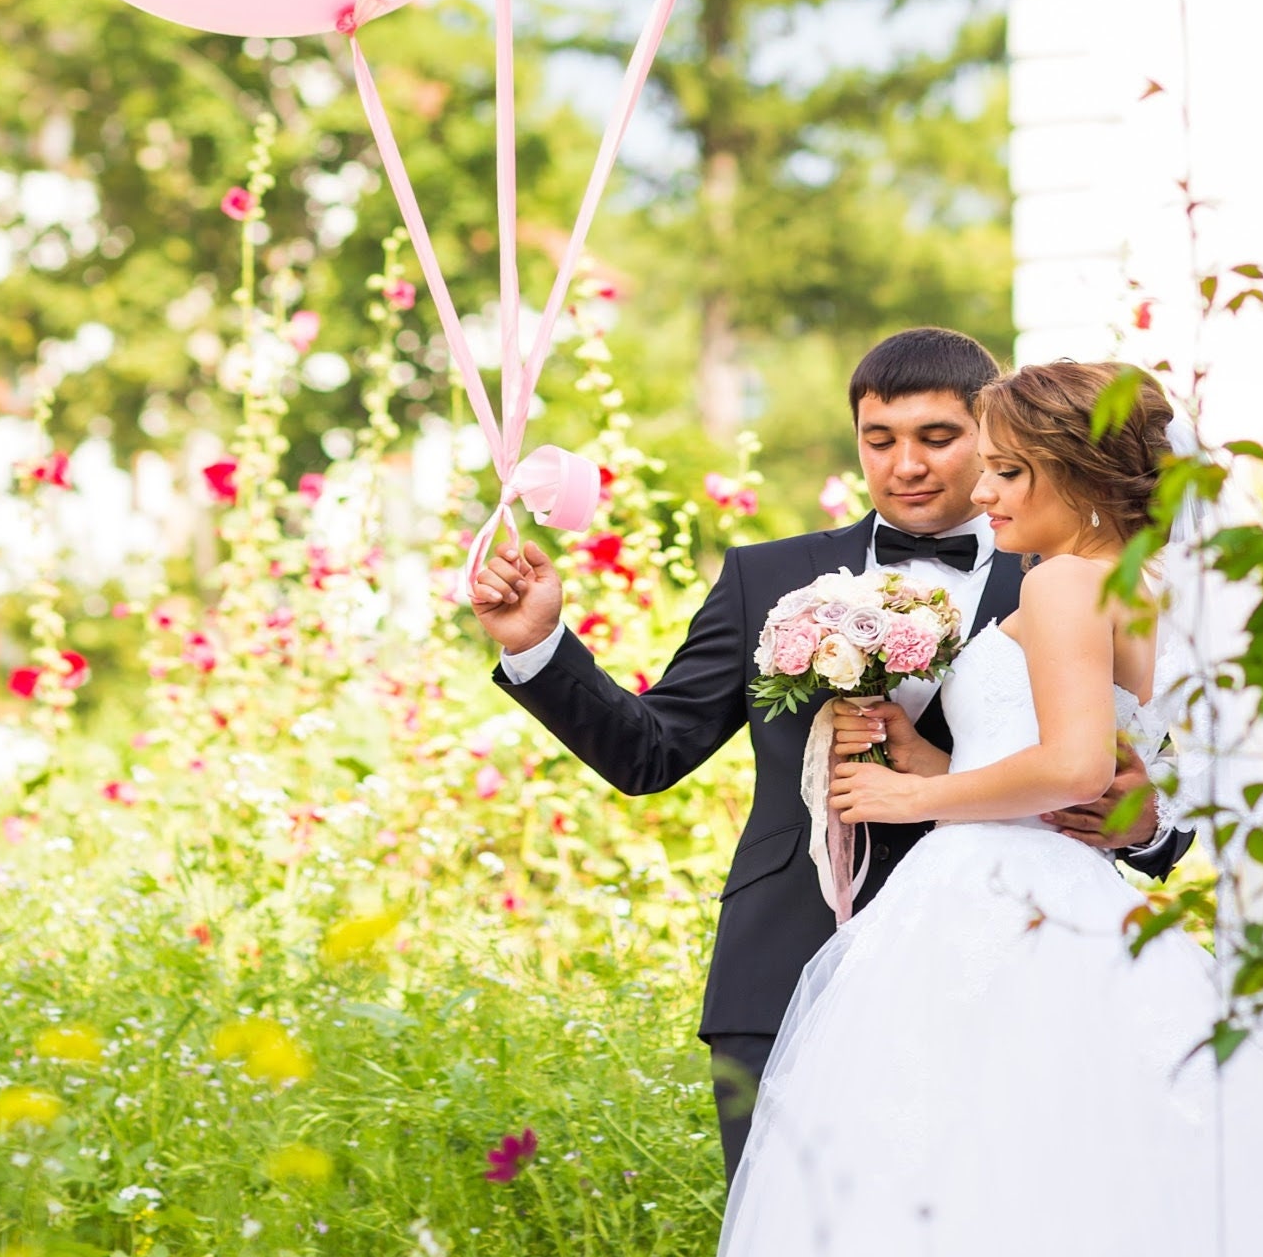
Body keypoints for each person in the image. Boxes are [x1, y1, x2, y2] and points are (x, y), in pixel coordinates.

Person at [469, 328, 1192, 1176]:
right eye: (879, 440)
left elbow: (1146, 785)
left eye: (939, 439)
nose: (905, 466)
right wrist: (540, 647)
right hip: (786, 964)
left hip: (1011, 967)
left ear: (999, 435)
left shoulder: (1070, 573)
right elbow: (649, 754)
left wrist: (1136, 825)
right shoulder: (765, 576)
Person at [717, 359, 1263, 1257]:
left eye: (1010, 470)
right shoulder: (1142, 585)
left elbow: (1072, 765)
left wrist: (915, 792)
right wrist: (945, 757)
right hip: (1071, 889)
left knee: (952, 1169)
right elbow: (1075, 748)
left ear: (1083, 469)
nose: (983, 492)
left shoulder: (1062, 582)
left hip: (995, 897)